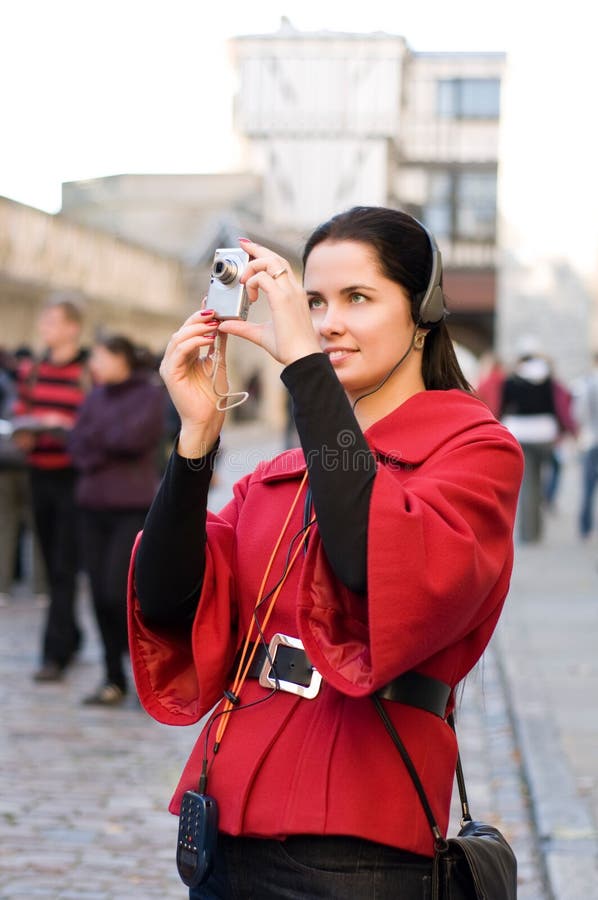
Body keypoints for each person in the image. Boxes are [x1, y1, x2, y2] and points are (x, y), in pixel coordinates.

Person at [128, 207, 523, 899]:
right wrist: (196, 441)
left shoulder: (474, 451)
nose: (327, 322)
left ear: (423, 314)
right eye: (313, 301)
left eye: (357, 299)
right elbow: (166, 599)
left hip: (356, 838)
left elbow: (369, 567)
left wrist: (308, 373)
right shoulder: (278, 472)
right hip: (227, 821)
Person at [68, 334, 167, 705]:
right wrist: (98, 444)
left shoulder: (149, 394)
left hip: (131, 507)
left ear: (121, 359)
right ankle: (113, 677)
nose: (94, 364)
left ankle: (147, 668)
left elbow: (133, 439)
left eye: (100, 357)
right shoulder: (95, 396)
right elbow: (77, 442)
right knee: (96, 592)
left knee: (118, 593)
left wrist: (97, 440)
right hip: (92, 505)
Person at [12, 297, 89, 680]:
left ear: (73, 328)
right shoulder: (32, 370)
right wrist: (26, 431)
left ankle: (53, 654)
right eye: (44, 320)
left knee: (62, 567)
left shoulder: (89, 372)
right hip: (38, 475)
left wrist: (65, 423)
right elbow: (21, 412)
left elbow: (96, 421)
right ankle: (71, 633)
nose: (46, 327)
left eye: (54, 321)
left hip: (74, 478)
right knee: (50, 559)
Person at [573, 352, 598, 538]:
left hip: (592, 438)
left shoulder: (588, 383)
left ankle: (585, 526)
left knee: (588, 485)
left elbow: (578, 413)